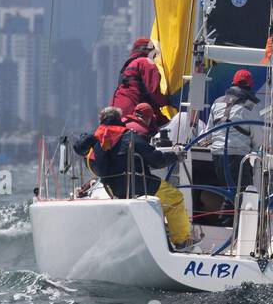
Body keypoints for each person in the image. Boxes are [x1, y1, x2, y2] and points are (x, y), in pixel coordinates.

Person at [73, 106, 194, 250]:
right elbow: (156, 160)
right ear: (119, 119)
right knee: (175, 198)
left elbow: (86, 155)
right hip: (138, 185)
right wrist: (175, 156)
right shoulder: (129, 137)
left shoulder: (97, 139)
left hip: (113, 188)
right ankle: (182, 242)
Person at [208, 70, 260, 194]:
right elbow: (257, 135)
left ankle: (227, 212)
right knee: (245, 194)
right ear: (249, 86)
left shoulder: (217, 103)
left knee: (229, 192)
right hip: (238, 156)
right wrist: (257, 149)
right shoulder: (250, 106)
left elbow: (209, 132)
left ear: (233, 83)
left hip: (217, 155)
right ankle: (230, 213)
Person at [111, 38, 169, 123]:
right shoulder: (145, 62)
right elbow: (154, 92)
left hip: (118, 116)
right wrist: (170, 100)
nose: (156, 56)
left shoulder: (126, 67)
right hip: (134, 115)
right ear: (147, 50)